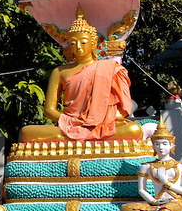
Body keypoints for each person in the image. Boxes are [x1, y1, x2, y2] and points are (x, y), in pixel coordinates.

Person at [20, 10, 144, 142]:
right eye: (73, 43)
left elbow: (123, 109)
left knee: (133, 130)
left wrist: (102, 120)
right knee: (26, 132)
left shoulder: (110, 68)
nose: (78, 47)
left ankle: (71, 139)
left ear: (93, 43)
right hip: (69, 124)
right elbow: (49, 110)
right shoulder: (60, 71)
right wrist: (70, 121)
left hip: (101, 125)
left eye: (83, 42)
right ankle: (76, 137)